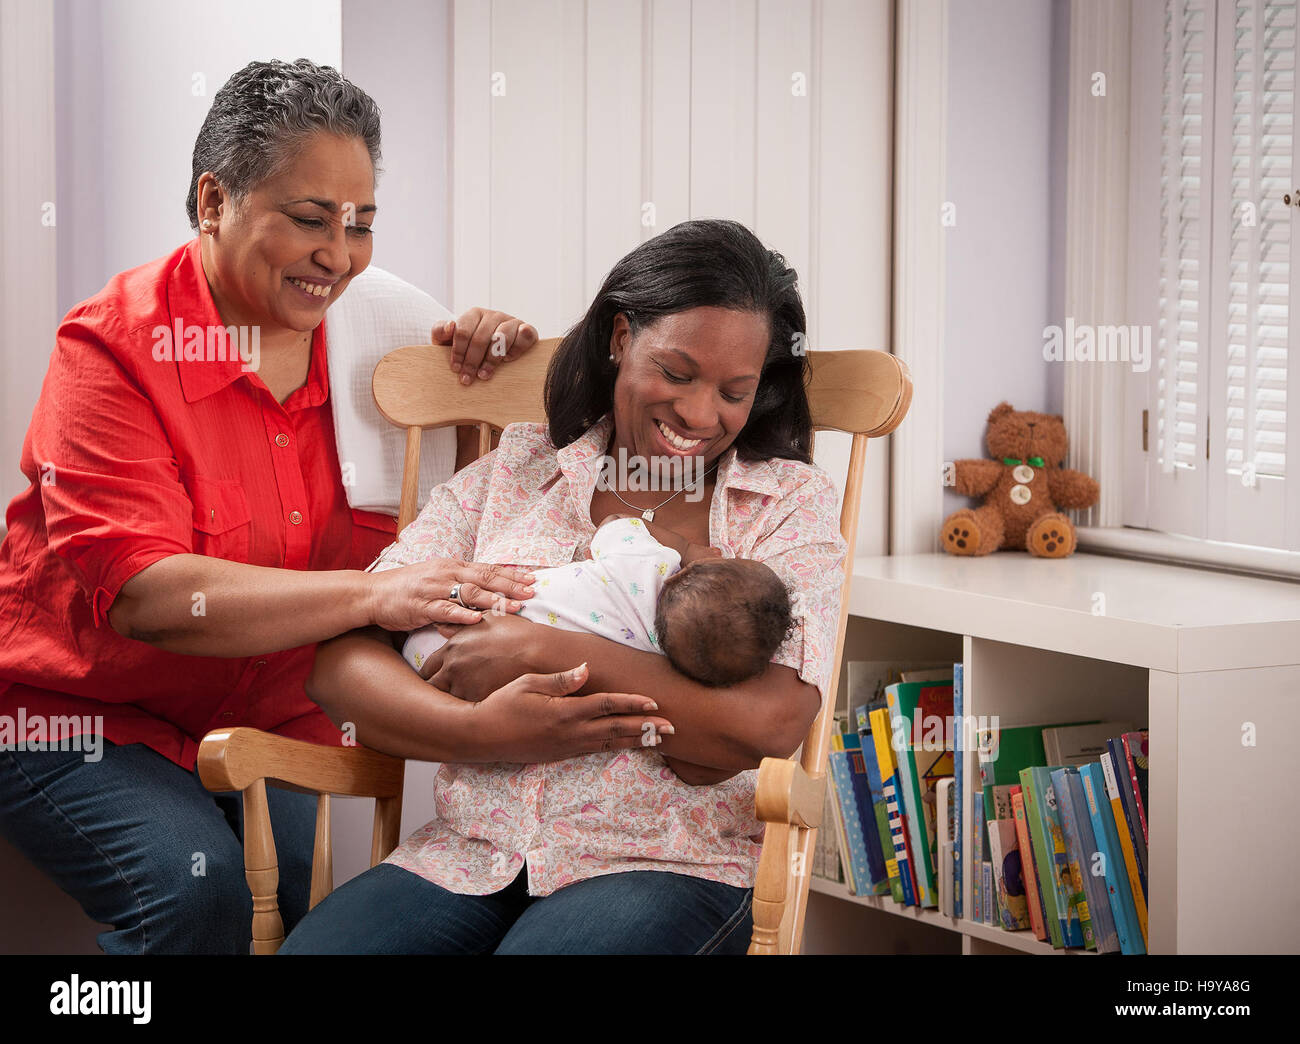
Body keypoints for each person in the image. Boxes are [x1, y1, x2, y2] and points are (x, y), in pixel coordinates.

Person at [0, 58, 663, 955]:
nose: (339, 255)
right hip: (84, 712)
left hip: (274, 715)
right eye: (310, 220)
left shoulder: (382, 342)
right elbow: (146, 594)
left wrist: (490, 375)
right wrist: (367, 596)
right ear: (212, 202)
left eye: (361, 224)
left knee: (310, 932)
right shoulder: (114, 352)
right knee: (197, 897)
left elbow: (478, 521)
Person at [281, 218, 849, 955]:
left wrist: (541, 650)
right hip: (466, 854)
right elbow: (344, 661)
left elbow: (767, 723)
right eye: (676, 374)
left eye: (734, 393)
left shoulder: (783, 506)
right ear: (620, 339)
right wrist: (474, 732)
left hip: (666, 861)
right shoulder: (519, 469)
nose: (700, 415)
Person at [402, 514, 794, 688]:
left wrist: (687, 547)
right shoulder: (653, 656)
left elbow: (615, 525)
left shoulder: (648, 561)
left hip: (464, 611)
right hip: (441, 665)